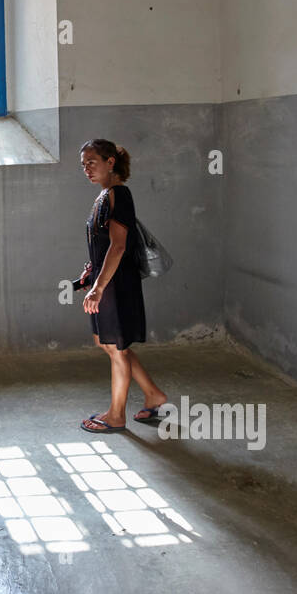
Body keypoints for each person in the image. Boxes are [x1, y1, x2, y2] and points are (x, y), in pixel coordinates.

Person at [77, 139, 167, 434]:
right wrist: (91, 272)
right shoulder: (104, 196)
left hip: (116, 284)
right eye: (83, 165)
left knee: (116, 347)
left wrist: (98, 287)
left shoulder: (119, 195)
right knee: (109, 343)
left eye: (92, 162)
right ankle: (154, 395)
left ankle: (116, 415)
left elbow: (118, 247)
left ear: (110, 162)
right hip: (106, 280)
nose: (86, 169)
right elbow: (103, 246)